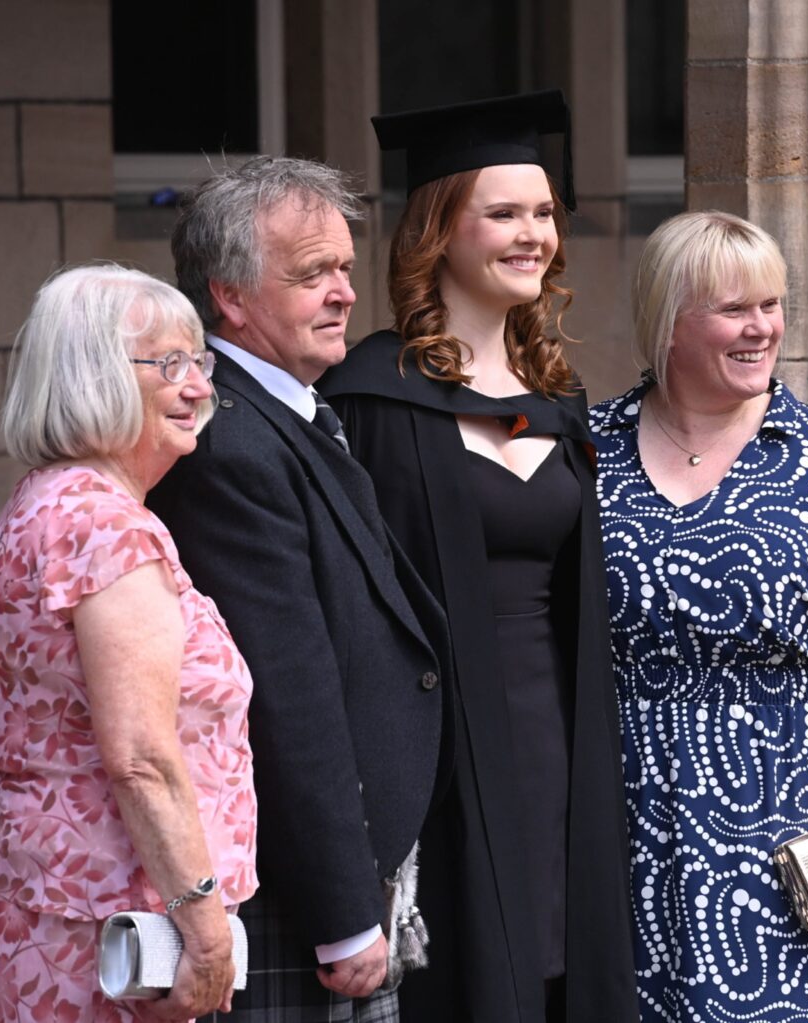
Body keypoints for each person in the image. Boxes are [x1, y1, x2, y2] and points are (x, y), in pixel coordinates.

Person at [320, 90, 637, 1023]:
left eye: (543, 212)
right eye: (503, 213)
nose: (532, 234)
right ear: (438, 230)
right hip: (439, 751)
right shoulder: (370, 396)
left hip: (557, 736)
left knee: (556, 963)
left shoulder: (559, 397)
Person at [589, 210, 808, 1023]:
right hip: (620, 822)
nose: (762, 327)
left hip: (790, 827)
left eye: (771, 304)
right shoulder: (588, 450)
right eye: (734, 308)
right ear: (669, 321)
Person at [145, 157, 450, 1023]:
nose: (345, 292)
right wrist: (344, 914)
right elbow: (285, 692)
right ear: (230, 296)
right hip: (299, 897)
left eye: (345, 268)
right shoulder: (229, 442)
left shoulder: (286, 411)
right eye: (313, 272)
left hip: (341, 879)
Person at [0, 264, 256, 1022]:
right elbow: (143, 758)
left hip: (48, 903)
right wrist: (207, 934)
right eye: (170, 364)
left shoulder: (44, 503)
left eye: (200, 361)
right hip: (109, 926)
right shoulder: (104, 525)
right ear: (92, 376)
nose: (199, 386)